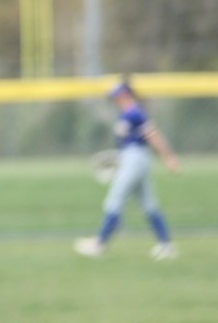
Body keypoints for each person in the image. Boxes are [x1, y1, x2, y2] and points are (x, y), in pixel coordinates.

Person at [75, 79, 181, 260]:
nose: (116, 100)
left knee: (114, 200)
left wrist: (168, 157)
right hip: (133, 158)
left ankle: (99, 244)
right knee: (149, 204)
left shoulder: (135, 113)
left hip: (136, 159)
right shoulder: (126, 114)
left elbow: (153, 136)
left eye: (118, 96)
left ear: (126, 95)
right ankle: (166, 245)